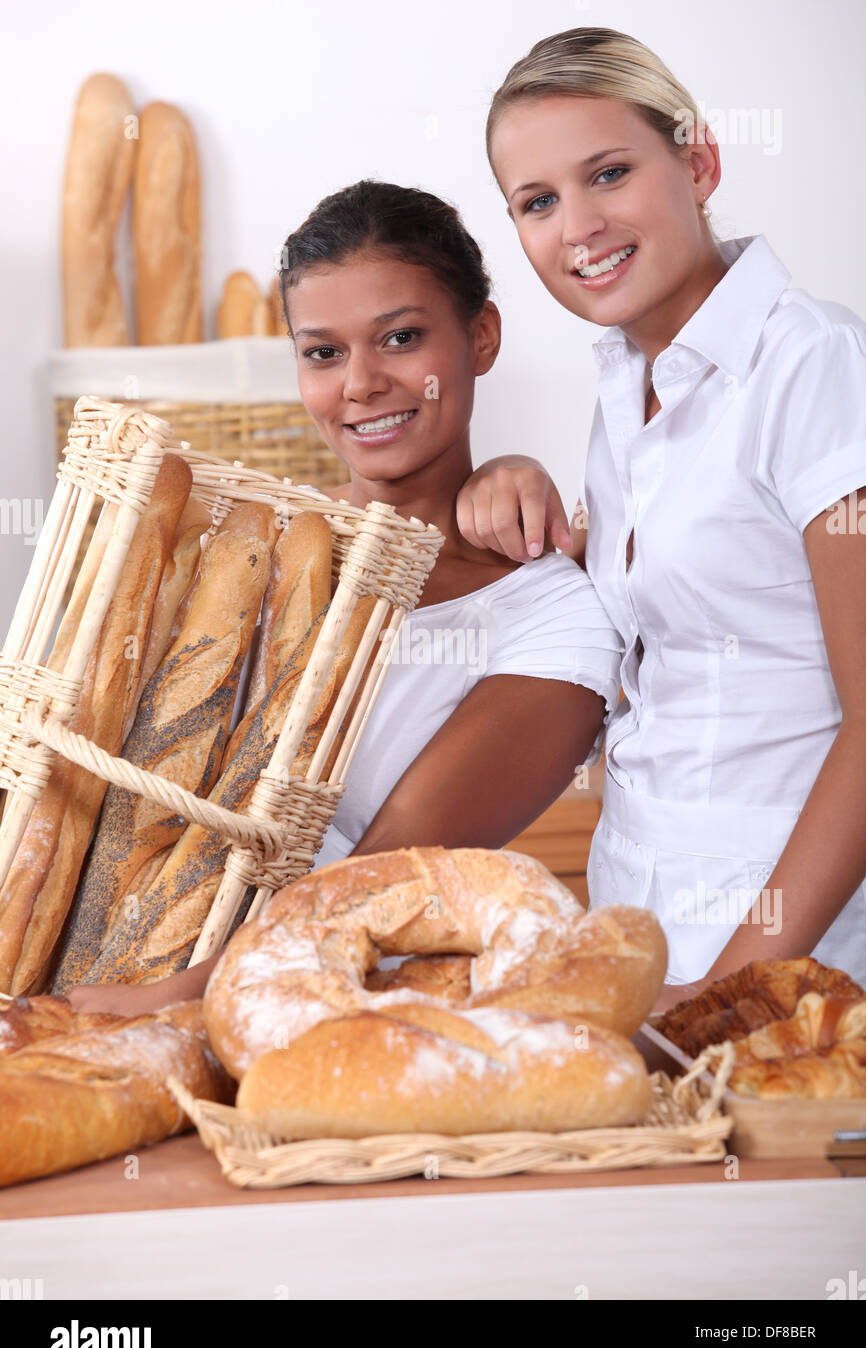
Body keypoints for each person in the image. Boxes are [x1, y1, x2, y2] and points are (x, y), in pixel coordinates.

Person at [65, 180, 622, 1017]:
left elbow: (372, 889)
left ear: (481, 336)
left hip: (338, 1022)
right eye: (323, 352)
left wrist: (153, 1006)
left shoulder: (552, 618)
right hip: (106, 984)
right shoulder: (236, 569)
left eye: (400, 338)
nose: (360, 383)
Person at [454, 26, 866, 1006]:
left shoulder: (813, 367)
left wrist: (728, 994)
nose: (578, 225)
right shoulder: (627, 383)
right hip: (642, 946)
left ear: (699, 161)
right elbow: (695, 598)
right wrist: (517, 481)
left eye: (608, 173)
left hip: (797, 984)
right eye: (537, 202)